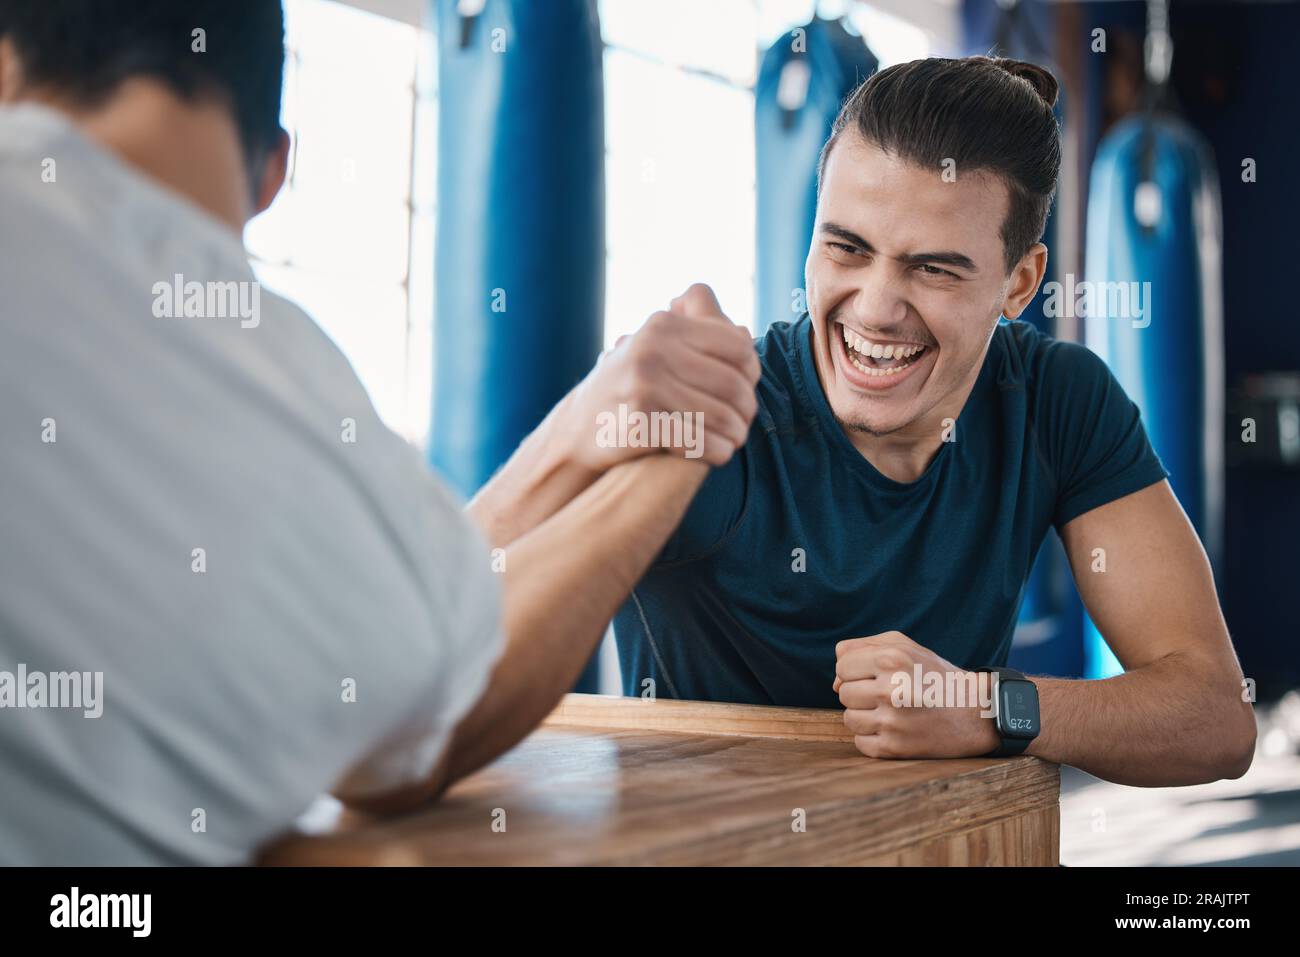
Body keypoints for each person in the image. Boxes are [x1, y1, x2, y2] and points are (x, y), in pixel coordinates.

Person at [0, 1, 759, 864]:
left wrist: (582, 423)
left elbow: (423, 621)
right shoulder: (271, 367)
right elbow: (415, 730)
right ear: (274, 171)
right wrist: (686, 443)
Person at [612, 56, 1256, 787]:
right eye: (846, 248)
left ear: (1019, 282)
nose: (878, 305)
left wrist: (986, 707)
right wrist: (592, 426)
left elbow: (1217, 716)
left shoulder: (1055, 397)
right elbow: (467, 647)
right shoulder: (714, 414)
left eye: (934, 269)